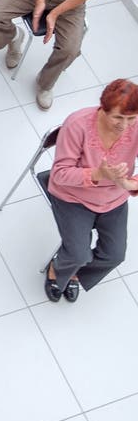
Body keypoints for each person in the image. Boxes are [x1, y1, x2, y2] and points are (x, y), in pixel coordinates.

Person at [44, 79, 138, 303]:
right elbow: (59, 173)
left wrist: (130, 184)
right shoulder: (78, 124)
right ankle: (58, 270)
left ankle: (75, 272)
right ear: (102, 109)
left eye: (131, 119)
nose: (124, 126)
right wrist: (98, 174)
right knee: (78, 253)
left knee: (115, 255)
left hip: (114, 197)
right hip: (72, 195)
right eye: (117, 117)